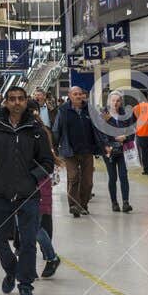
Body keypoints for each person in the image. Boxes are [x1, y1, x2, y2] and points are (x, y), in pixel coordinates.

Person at [0, 85, 55, 295]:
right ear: (5, 102)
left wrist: (32, 178)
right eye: (12, 99)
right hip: (1, 193)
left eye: (20, 98)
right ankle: (12, 270)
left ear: (25, 101)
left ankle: (25, 285)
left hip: (28, 194)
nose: (16, 102)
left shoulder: (36, 129)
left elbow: (47, 162)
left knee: (28, 241)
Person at [52, 85, 99, 217]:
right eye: (75, 94)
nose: (78, 96)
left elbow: (98, 128)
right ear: (70, 96)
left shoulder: (89, 110)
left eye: (79, 94)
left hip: (87, 151)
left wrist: (103, 145)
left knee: (88, 182)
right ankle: (73, 206)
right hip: (70, 151)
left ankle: (83, 205)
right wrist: (54, 149)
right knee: (73, 178)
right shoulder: (63, 110)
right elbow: (56, 130)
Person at [101, 92, 134, 212]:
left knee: (124, 176)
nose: (115, 103)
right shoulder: (103, 115)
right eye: (113, 100)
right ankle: (114, 202)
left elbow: (131, 131)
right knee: (112, 177)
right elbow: (100, 133)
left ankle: (126, 202)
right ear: (109, 101)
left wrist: (125, 137)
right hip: (109, 150)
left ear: (121, 102)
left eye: (118, 101)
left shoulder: (125, 115)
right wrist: (108, 143)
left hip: (122, 150)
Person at [132, 93, 148, 176]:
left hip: (141, 134)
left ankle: (147, 170)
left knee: (144, 152)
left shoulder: (136, 108)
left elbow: (132, 121)